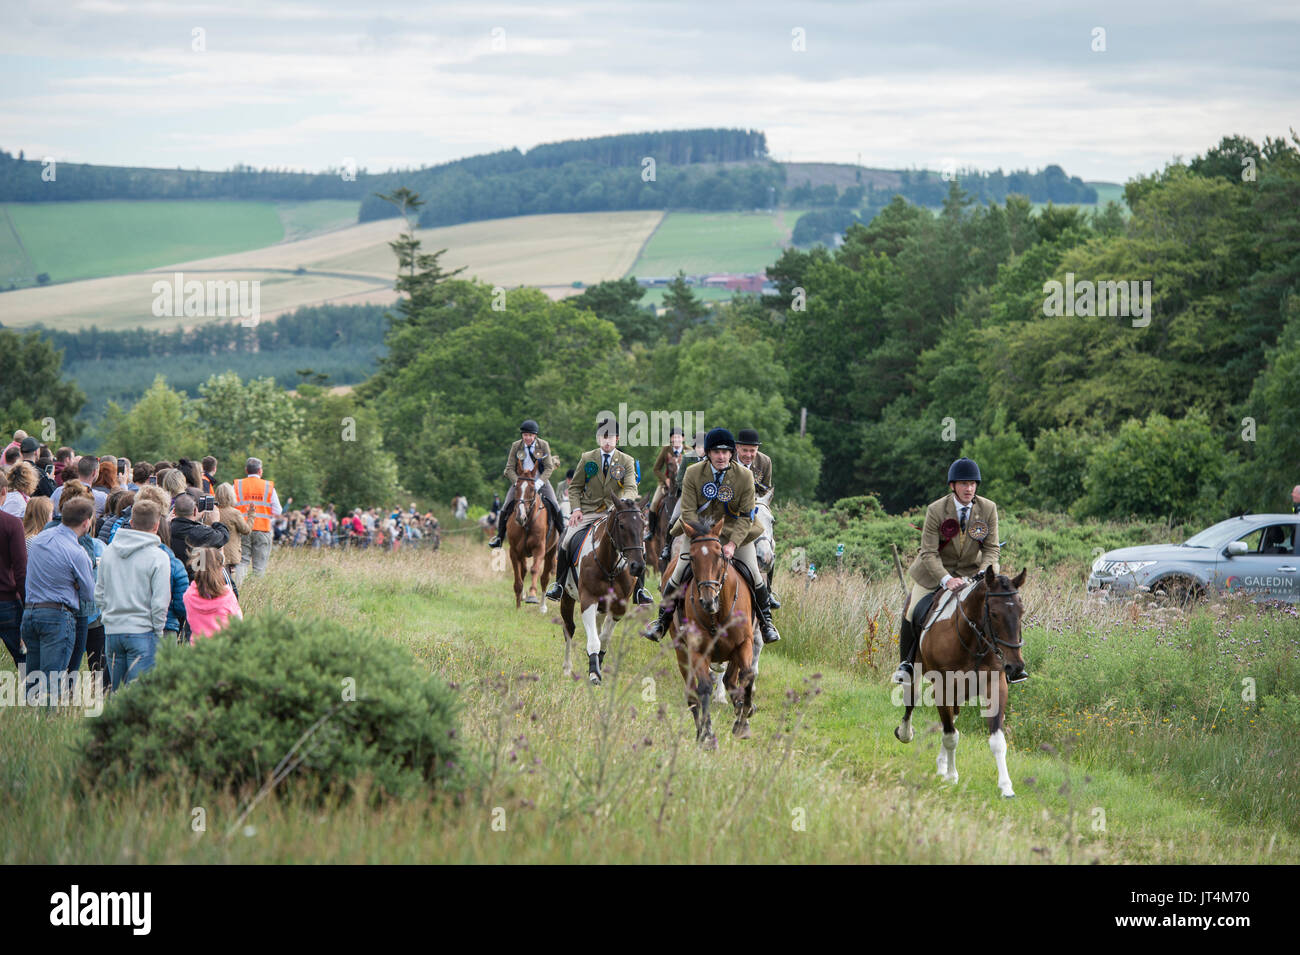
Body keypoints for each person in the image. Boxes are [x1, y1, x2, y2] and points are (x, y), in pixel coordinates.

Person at [645, 427, 781, 644]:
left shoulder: (744, 476)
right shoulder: (693, 473)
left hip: (735, 534)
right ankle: (662, 621)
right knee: (678, 572)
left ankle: (766, 622)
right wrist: (702, 536)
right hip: (700, 534)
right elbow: (688, 511)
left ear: (731, 454)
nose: (721, 456)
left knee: (754, 574)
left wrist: (733, 545)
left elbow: (747, 516)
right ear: (708, 453)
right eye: (717, 452)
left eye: (726, 452)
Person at [892, 457, 1012, 685]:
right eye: (964, 483)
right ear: (952, 486)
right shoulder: (936, 510)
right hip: (934, 573)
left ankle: (1005, 662)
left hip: (972, 574)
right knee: (912, 610)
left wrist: (984, 575)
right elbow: (927, 552)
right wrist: (946, 579)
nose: (969, 488)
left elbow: (992, 549)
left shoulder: (988, 508)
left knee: (1001, 607)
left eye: (973, 484)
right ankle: (906, 664)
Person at [546, 417, 652, 604]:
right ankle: (559, 585)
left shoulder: (626, 460)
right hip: (589, 512)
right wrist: (576, 509)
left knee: (638, 544)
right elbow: (575, 487)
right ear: (598, 438)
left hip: (616, 512)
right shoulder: (587, 458)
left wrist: (623, 503)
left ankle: (639, 591)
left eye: (611, 437)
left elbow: (631, 487)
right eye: (603, 437)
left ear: (617, 439)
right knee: (566, 540)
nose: (607, 441)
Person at [21, 496, 95, 705]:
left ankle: (27, 718)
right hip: (57, 615)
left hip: (30, 612)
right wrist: (75, 584)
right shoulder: (77, 552)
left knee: (32, 677)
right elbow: (89, 594)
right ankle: (47, 722)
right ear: (86, 522)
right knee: (52, 680)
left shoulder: (39, 540)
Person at [96, 499, 172, 688]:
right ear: (156, 526)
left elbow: (99, 593)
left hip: (112, 632)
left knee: (116, 692)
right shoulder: (158, 557)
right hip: (143, 631)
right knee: (139, 697)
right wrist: (158, 631)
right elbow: (160, 602)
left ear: (131, 523)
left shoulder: (109, 551)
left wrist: (108, 617)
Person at [488, 420, 564, 548]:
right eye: (525, 435)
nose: (527, 438)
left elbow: (549, 468)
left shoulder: (544, 445)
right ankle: (499, 538)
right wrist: (517, 482)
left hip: (540, 479)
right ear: (522, 435)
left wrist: (539, 483)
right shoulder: (516, 446)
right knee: (506, 505)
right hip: (521, 481)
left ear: (535, 436)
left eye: (530, 435)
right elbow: (509, 469)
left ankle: (563, 537)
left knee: (555, 504)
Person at [735, 427, 780, 608]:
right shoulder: (726, 458)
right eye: (745, 450)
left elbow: (765, 490)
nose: (748, 454)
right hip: (731, 507)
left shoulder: (765, 461)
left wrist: (755, 501)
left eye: (752, 451)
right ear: (737, 448)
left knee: (770, 544)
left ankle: (767, 591)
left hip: (755, 504)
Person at [183, 543, 243, 642]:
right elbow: (238, 621)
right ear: (220, 568)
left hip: (196, 650)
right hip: (221, 648)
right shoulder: (227, 595)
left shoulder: (189, 595)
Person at [234, 457, 281, 578]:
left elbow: (231, 505)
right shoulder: (268, 487)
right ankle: (256, 592)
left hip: (242, 528)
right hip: (262, 529)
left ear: (246, 470)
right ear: (260, 471)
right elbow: (278, 511)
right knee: (259, 566)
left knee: (242, 561)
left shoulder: (237, 485)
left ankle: (239, 590)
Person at [644, 426, 685, 544]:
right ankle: (651, 531)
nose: (676, 439)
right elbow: (656, 469)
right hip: (666, 484)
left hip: (684, 485)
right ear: (671, 439)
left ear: (683, 438)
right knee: (654, 503)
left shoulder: (687, 451)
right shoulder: (666, 450)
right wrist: (665, 479)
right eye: (674, 437)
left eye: (678, 437)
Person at [0, 503, 26, 670]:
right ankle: (34, 694)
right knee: (24, 658)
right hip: (7, 600)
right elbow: (21, 569)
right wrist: (28, 604)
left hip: (8, 599)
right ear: (4, 491)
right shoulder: (11, 523)